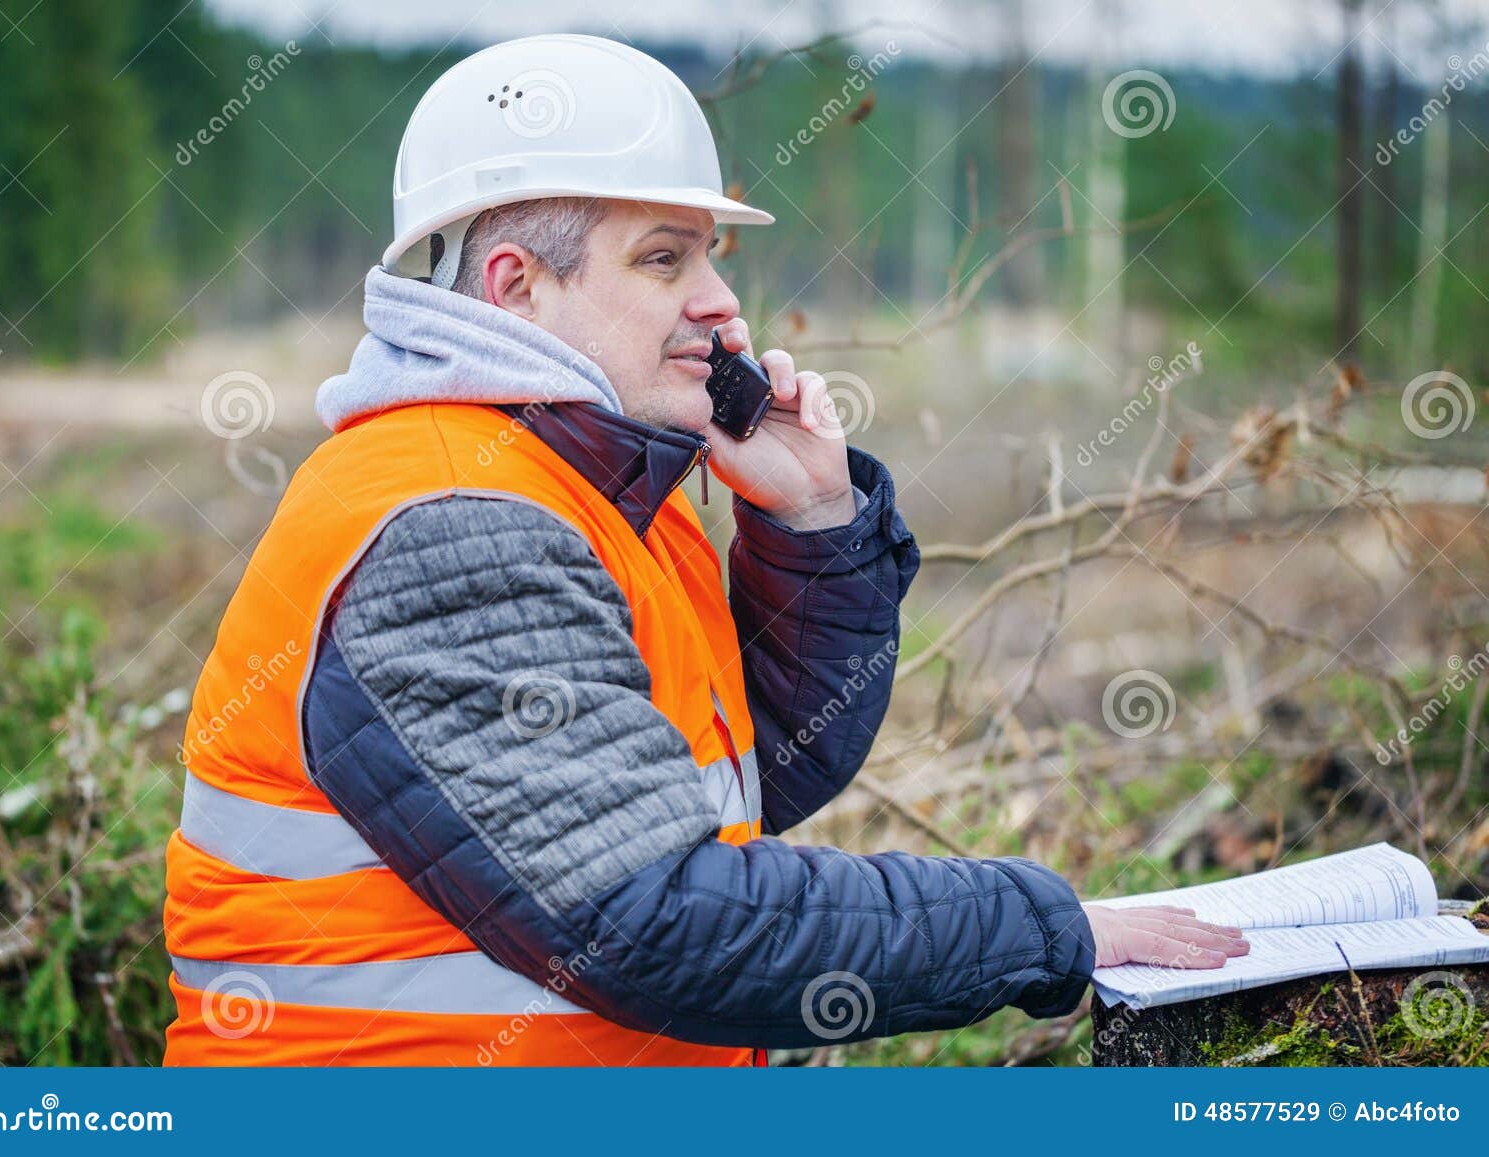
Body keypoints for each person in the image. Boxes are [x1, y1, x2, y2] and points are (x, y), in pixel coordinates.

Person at [162, 32, 1246, 1066]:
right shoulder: (453, 521)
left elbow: (753, 766)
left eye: (710, 256)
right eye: (663, 258)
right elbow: (649, 916)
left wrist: (811, 523)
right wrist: (1040, 927)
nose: (721, 302)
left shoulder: (602, 489)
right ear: (513, 286)